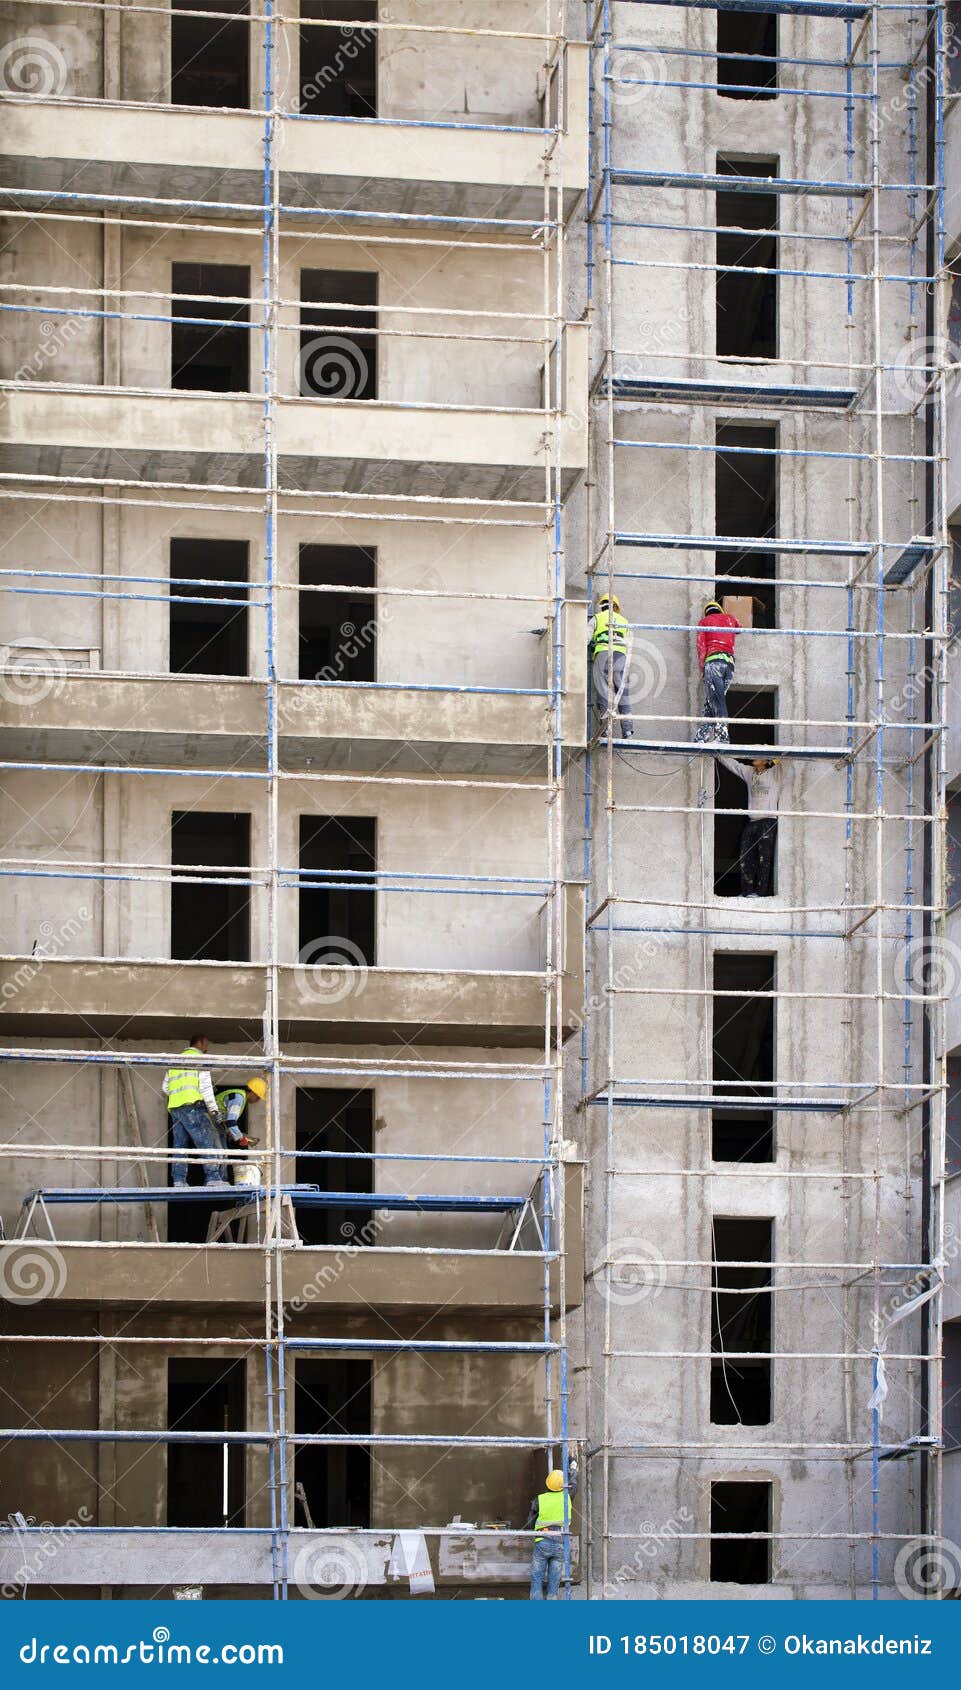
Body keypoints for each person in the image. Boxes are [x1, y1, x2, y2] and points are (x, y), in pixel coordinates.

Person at [162, 1033, 228, 1188]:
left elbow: (165, 1087)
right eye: (207, 1044)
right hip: (193, 1107)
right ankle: (213, 1177)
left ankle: (179, 1181)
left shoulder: (175, 1061)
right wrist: (214, 1110)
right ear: (201, 1042)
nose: (207, 1048)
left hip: (176, 1108)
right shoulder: (200, 1059)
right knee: (206, 1142)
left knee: (179, 1146)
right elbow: (205, 1088)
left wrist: (179, 1096)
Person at [716, 753, 780, 896]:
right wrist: (718, 754)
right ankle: (747, 891)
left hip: (768, 820)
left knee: (764, 858)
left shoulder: (775, 773)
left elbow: (784, 758)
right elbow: (734, 765)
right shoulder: (749, 772)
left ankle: (762, 893)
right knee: (745, 856)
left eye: (758, 755)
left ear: (766, 759)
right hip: (752, 821)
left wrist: (773, 760)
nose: (753, 757)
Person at [525, 1458, 578, 1600]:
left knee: (537, 1578)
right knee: (554, 1582)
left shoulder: (540, 1499)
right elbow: (574, 1484)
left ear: (547, 1483)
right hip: (561, 1542)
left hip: (542, 1541)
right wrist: (573, 1467)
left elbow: (530, 1522)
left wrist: (535, 1530)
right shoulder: (567, 1496)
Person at [693, 599, 740, 744]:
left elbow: (701, 647)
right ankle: (702, 736)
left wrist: (702, 669)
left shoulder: (704, 622)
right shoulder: (730, 619)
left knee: (717, 701)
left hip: (713, 663)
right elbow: (739, 628)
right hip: (729, 665)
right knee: (713, 700)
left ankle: (722, 736)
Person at [588, 593, 634, 739]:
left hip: (603, 655)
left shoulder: (596, 618)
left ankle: (606, 728)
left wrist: (592, 646)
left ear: (602, 606)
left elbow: (585, 639)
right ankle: (627, 730)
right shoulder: (624, 621)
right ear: (616, 607)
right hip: (621, 657)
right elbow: (630, 643)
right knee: (622, 692)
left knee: (603, 690)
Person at [215, 1078, 267, 1152]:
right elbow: (230, 1122)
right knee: (216, 1154)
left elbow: (226, 1121)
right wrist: (241, 1138)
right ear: (253, 1092)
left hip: (214, 1123)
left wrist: (234, 1134)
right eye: (258, 1097)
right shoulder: (238, 1098)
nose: (258, 1100)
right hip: (209, 1122)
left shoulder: (240, 1097)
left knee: (221, 1154)